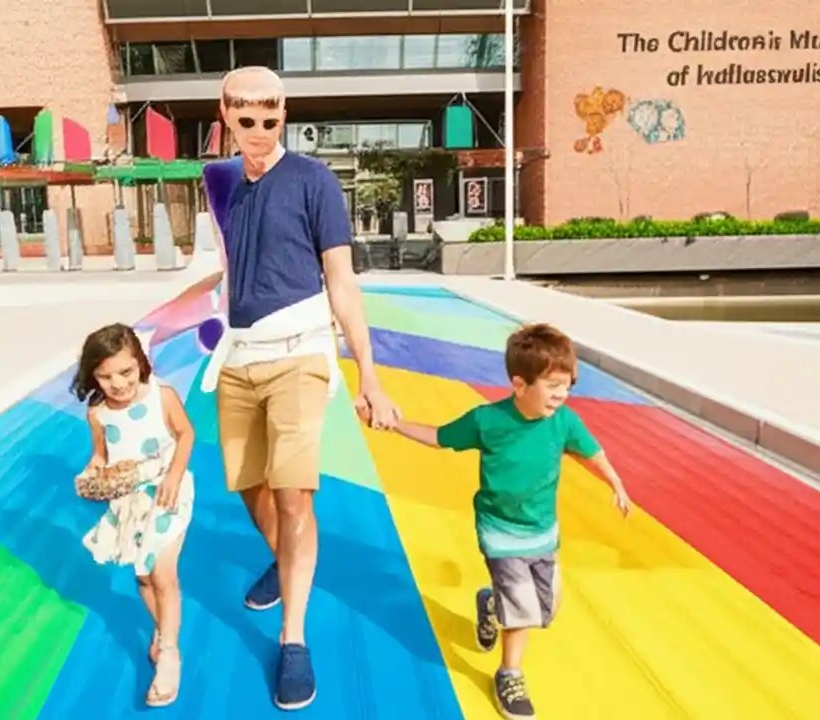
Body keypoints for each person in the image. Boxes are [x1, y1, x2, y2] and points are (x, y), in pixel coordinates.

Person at [204, 66, 400, 711]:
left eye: (272, 117)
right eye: (247, 118)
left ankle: (293, 638)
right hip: (238, 357)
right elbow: (227, 266)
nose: (260, 130)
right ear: (226, 114)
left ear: (284, 115)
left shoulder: (315, 180)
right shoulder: (220, 180)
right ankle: (283, 557)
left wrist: (367, 371)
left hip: (299, 354)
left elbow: (341, 280)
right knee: (248, 485)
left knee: (294, 497)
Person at [383, 323, 632, 720]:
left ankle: (490, 603)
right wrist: (393, 423)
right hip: (499, 532)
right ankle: (509, 673)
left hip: (543, 533)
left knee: (545, 610)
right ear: (519, 385)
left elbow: (590, 451)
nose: (561, 395)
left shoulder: (563, 421)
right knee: (522, 609)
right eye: (552, 386)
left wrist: (615, 482)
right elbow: (440, 436)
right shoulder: (488, 421)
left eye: (566, 386)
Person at [71, 323, 196, 708]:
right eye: (105, 376)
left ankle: (170, 654)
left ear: (140, 363)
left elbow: (185, 434)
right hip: (127, 504)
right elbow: (101, 454)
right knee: (142, 576)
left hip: (166, 492)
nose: (118, 384)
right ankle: (162, 629)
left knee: (162, 573)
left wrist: (173, 475)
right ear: (93, 376)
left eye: (125, 372)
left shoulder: (162, 395)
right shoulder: (98, 414)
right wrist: (93, 471)